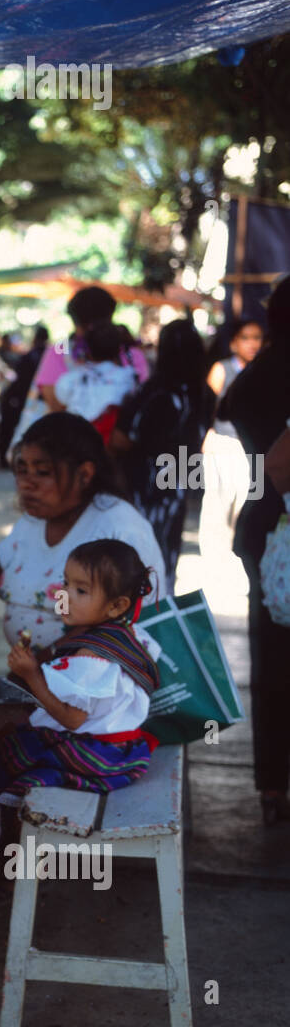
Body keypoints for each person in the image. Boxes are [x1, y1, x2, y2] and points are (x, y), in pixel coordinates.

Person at [0, 412, 166, 650]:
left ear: (85, 474)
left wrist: (36, 672)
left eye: (43, 472)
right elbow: (10, 564)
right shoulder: (36, 519)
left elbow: (119, 624)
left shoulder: (118, 527)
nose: (27, 483)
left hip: (85, 683)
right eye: (22, 470)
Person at [0, 539, 159, 843]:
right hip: (124, 748)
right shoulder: (123, 634)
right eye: (65, 583)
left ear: (117, 606)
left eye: (81, 591)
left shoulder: (90, 658)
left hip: (96, 754)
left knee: (3, 751)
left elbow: (72, 720)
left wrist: (33, 675)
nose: (64, 595)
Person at [222, 276, 290, 826]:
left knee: (272, 661)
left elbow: (230, 405)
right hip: (275, 531)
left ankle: (272, 785)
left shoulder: (261, 371)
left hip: (264, 526)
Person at [110, 318, 207, 586]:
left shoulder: (154, 393)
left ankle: (140, 619)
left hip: (144, 487)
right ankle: (160, 615)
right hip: (176, 486)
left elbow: (120, 439)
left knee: (139, 559)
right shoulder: (201, 394)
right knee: (164, 558)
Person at [199, 318, 264, 568]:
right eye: (246, 338)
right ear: (235, 342)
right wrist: (207, 438)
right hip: (223, 442)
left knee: (243, 499)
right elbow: (207, 409)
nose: (252, 344)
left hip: (249, 447)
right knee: (218, 498)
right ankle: (213, 556)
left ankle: (232, 554)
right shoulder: (222, 369)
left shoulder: (261, 371)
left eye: (257, 338)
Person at [35, 286, 149, 412]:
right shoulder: (131, 354)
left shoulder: (60, 351)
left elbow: (54, 404)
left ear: (76, 322)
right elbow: (140, 399)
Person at [53, 320, 139, 444]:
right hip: (106, 444)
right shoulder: (127, 378)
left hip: (73, 441)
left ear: (87, 349)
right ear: (118, 349)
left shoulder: (71, 378)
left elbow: (61, 398)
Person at [0, 324, 49, 465]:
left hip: (25, 399)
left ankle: (7, 458)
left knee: (12, 428)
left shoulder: (34, 355)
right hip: (38, 401)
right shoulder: (46, 354)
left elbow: (19, 379)